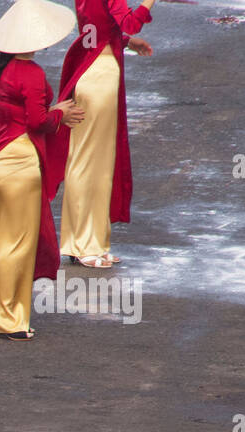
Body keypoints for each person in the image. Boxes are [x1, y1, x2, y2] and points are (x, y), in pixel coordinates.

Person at [0, 0, 85, 340]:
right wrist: (59, 114)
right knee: (20, 244)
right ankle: (10, 319)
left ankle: (2, 316)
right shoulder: (33, 73)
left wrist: (52, 111)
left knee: (5, 243)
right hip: (21, 163)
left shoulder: (5, 69)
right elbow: (38, 122)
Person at [53, 0, 158, 268]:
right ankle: (82, 244)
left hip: (91, 69)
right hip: (100, 77)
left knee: (93, 160)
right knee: (91, 162)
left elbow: (96, 28)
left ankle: (92, 242)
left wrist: (125, 42)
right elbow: (131, 22)